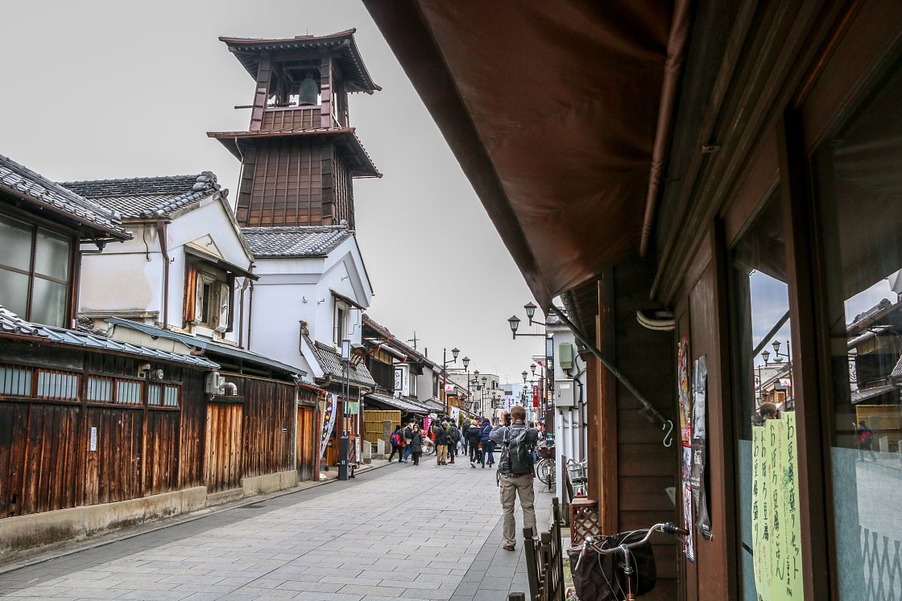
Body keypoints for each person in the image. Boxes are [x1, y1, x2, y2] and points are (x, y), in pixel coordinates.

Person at [491, 405, 539, 551]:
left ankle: (510, 542)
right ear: (525, 417)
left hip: (507, 475)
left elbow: (491, 435)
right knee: (528, 507)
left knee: (507, 509)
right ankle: (533, 540)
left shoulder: (504, 431)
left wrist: (502, 423)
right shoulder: (531, 432)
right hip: (525, 474)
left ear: (510, 417)